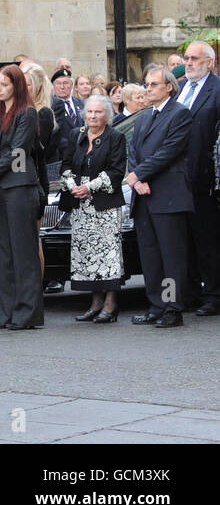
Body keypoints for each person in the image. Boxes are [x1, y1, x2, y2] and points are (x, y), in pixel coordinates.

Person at [126, 64, 194, 328]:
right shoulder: (143, 117)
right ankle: (156, 305)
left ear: (169, 87)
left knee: (171, 257)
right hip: (144, 197)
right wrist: (137, 178)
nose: (148, 88)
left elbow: (169, 151)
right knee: (151, 256)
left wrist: (139, 174)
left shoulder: (180, 114)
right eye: (146, 84)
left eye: (153, 84)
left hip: (168, 196)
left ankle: (172, 308)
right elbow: (133, 149)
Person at [0, 64, 44, 330]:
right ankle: (6, 311)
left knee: (23, 253)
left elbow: (17, 153)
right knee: (3, 254)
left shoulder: (27, 113)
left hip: (20, 187)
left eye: (5, 85)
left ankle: (26, 312)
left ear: (16, 87)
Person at [61, 95, 126, 323]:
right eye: (89, 112)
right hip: (80, 205)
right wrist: (72, 186)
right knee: (87, 255)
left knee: (107, 255)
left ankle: (110, 304)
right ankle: (95, 302)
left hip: (104, 204)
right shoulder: (76, 135)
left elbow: (117, 171)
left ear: (107, 115)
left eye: (98, 112)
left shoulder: (115, 137)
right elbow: (66, 165)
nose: (93, 116)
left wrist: (89, 187)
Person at [175, 41, 220, 314]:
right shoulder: (180, 90)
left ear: (210, 62)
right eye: (187, 58)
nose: (189, 63)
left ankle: (214, 294)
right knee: (185, 240)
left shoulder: (217, 90)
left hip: (205, 178)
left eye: (195, 58)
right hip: (177, 179)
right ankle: (191, 292)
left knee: (208, 239)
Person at [51, 67, 85, 164]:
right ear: (53, 86)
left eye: (66, 83)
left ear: (72, 85)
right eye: (58, 83)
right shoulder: (50, 106)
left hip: (82, 156)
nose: (62, 87)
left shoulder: (81, 104)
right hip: (62, 157)